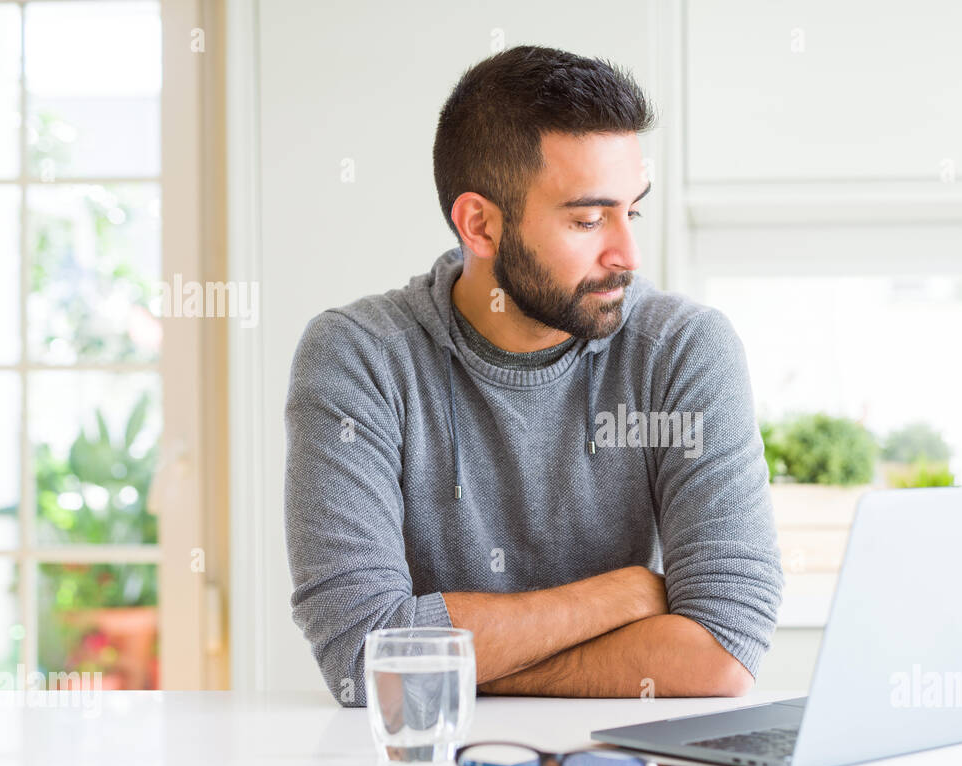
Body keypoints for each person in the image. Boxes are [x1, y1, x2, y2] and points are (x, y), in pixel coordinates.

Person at [284, 45, 783, 706]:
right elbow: (359, 653)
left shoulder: (683, 349)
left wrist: (447, 667)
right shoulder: (361, 357)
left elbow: (723, 648)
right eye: (586, 218)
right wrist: (621, 594)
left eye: (631, 211)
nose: (627, 254)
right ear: (480, 224)